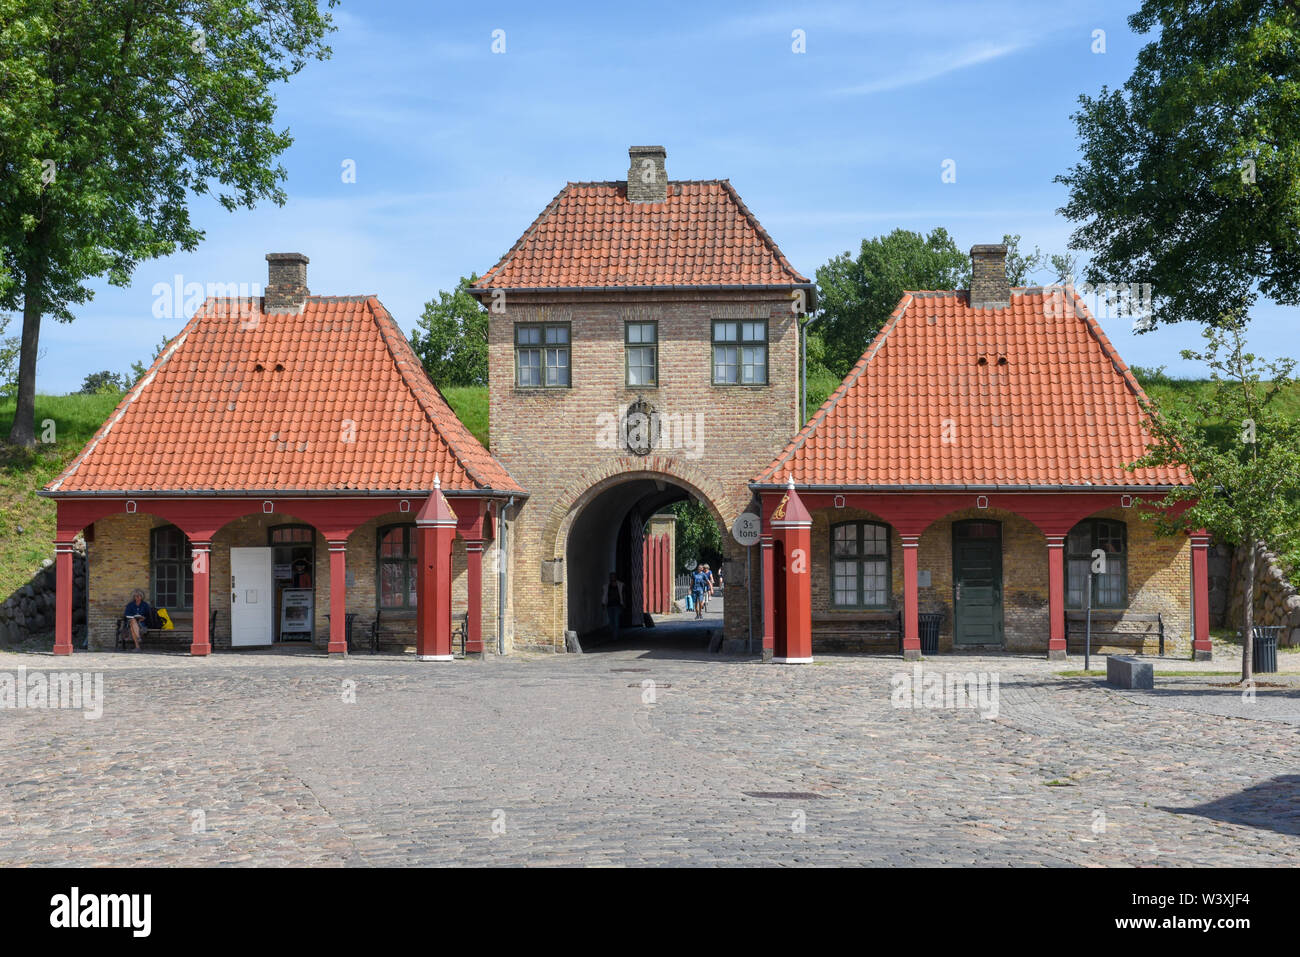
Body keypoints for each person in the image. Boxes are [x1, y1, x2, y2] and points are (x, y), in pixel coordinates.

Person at [602, 572, 625, 639]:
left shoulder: (620, 585)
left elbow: (623, 595)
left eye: (613, 576)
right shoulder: (606, 586)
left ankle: (615, 636)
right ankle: (614, 633)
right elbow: (604, 595)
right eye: (611, 576)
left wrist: (623, 603)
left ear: (615, 577)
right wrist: (603, 603)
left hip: (617, 605)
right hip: (609, 606)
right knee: (611, 621)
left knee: (616, 620)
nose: (612, 578)